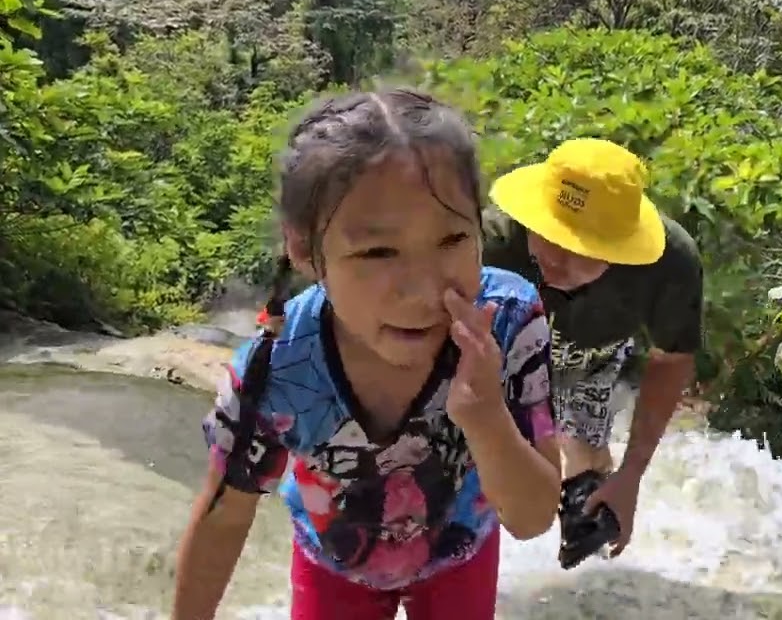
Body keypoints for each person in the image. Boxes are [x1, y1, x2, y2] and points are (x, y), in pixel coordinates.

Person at [170, 89, 561, 620]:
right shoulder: (274, 371)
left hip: (458, 555)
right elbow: (224, 518)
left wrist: (485, 415)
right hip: (335, 566)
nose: (423, 291)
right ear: (306, 250)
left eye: (451, 240)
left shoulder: (510, 324)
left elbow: (533, 518)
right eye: (378, 251)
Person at [482, 138, 704, 558]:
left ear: (621, 252)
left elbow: (671, 359)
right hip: (502, 341)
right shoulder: (489, 241)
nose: (556, 259)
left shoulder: (667, 265)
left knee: (580, 455)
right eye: (548, 234)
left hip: (594, 347)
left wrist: (631, 477)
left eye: (581, 249)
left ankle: (586, 489)